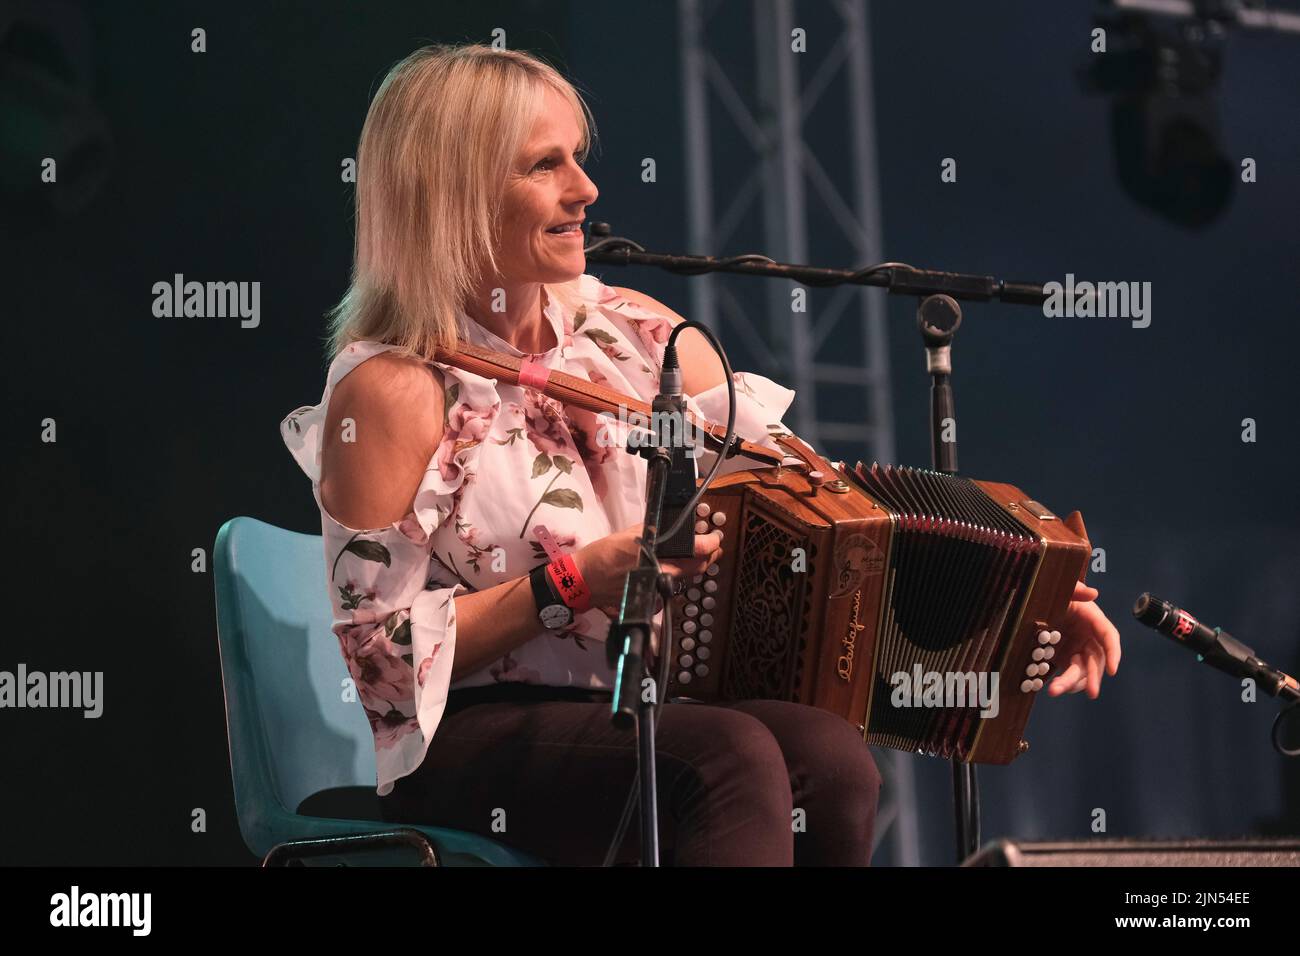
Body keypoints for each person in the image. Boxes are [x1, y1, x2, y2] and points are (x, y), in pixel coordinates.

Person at [280, 43, 1122, 866]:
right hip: (473, 740)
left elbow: (821, 506)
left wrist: (1019, 602)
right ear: (452, 195)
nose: (586, 189)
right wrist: (573, 582)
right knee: (731, 762)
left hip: (639, 710)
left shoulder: (636, 333)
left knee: (830, 759)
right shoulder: (392, 390)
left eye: (579, 157)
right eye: (545, 166)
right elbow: (380, 661)